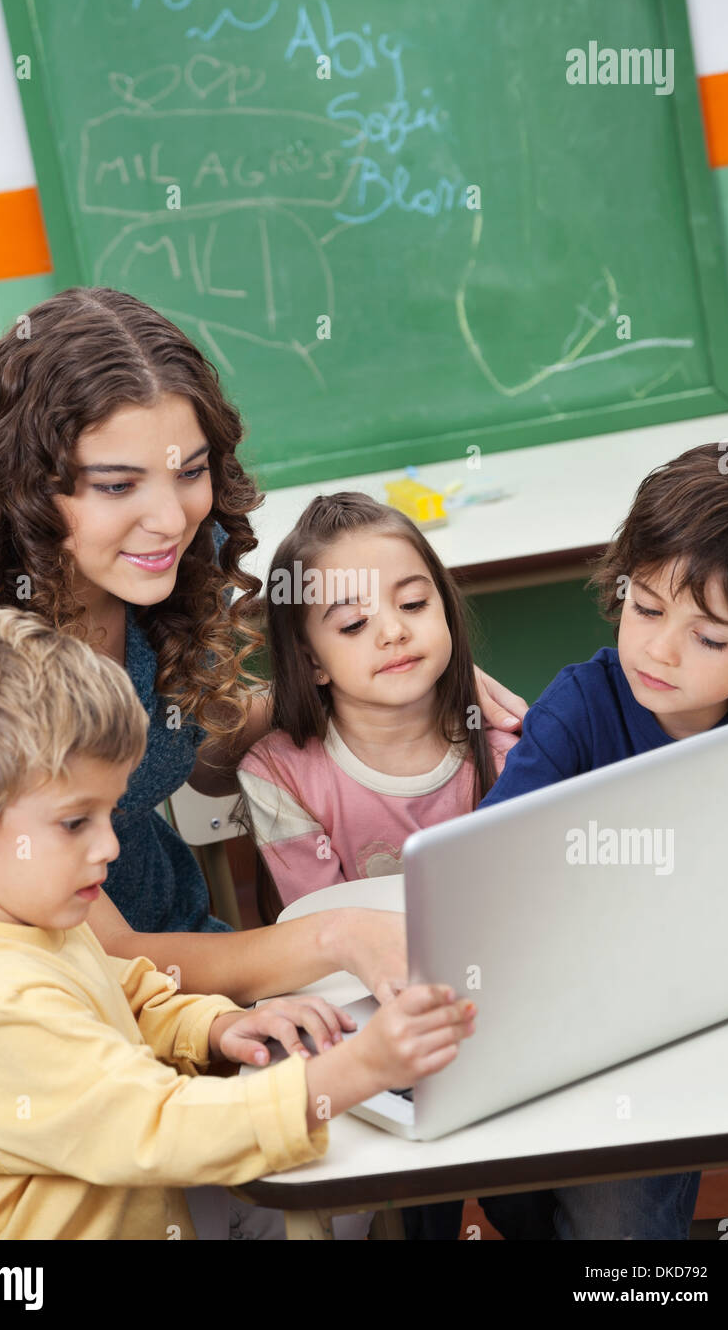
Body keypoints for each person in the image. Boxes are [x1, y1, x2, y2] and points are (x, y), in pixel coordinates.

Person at [0, 287, 526, 1226]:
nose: (169, 517)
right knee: (301, 1166)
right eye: (117, 485)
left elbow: (171, 745)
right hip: (19, 1036)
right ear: (31, 483)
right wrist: (336, 937)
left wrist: (360, 688)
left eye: (188, 470)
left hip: (159, 982)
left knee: (347, 1160)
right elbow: (96, 958)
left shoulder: (162, 565)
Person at [0, 606, 477, 1239]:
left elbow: (123, 994)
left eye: (109, 816)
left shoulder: (22, 922)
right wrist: (354, 1072)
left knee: (338, 1191)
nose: (109, 849)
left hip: (147, 1215)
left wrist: (216, 1025)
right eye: (74, 823)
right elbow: (163, 1126)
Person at [474, 442, 728, 1240]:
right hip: (599, 1025)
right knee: (588, 1216)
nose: (661, 650)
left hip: (727, 1010)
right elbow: (491, 868)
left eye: (710, 639)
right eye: (646, 607)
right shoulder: (580, 709)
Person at [236, 491, 518, 1236]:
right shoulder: (280, 772)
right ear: (310, 661)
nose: (392, 632)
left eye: (414, 603)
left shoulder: (506, 744)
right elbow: (322, 929)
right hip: (360, 1022)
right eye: (354, 624)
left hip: (501, 1003)